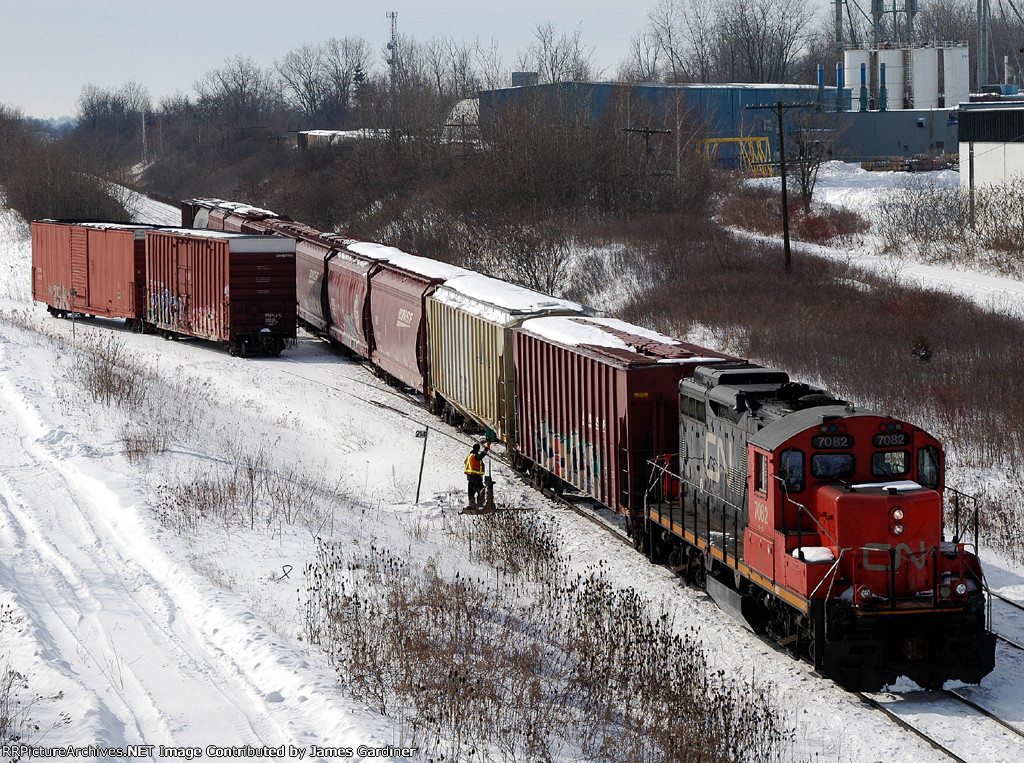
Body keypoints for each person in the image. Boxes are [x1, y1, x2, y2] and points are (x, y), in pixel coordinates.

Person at [464, 442, 489, 508]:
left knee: (471, 492)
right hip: (475, 477)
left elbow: (465, 462)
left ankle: (472, 505)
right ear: (477, 450)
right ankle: (480, 504)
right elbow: (480, 456)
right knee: (481, 490)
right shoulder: (475, 456)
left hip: (469, 477)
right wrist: (485, 450)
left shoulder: (469, 456)